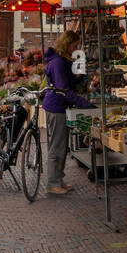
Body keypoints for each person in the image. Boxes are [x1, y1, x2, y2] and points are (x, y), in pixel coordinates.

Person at [43, 31, 92, 196]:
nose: (76, 48)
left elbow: (67, 84)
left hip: (59, 106)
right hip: (56, 107)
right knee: (57, 146)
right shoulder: (58, 63)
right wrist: (84, 103)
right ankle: (53, 183)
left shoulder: (61, 61)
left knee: (62, 146)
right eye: (74, 45)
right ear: (67, 45)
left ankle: (59, 179)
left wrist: (80, 78)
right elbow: (63, 89)